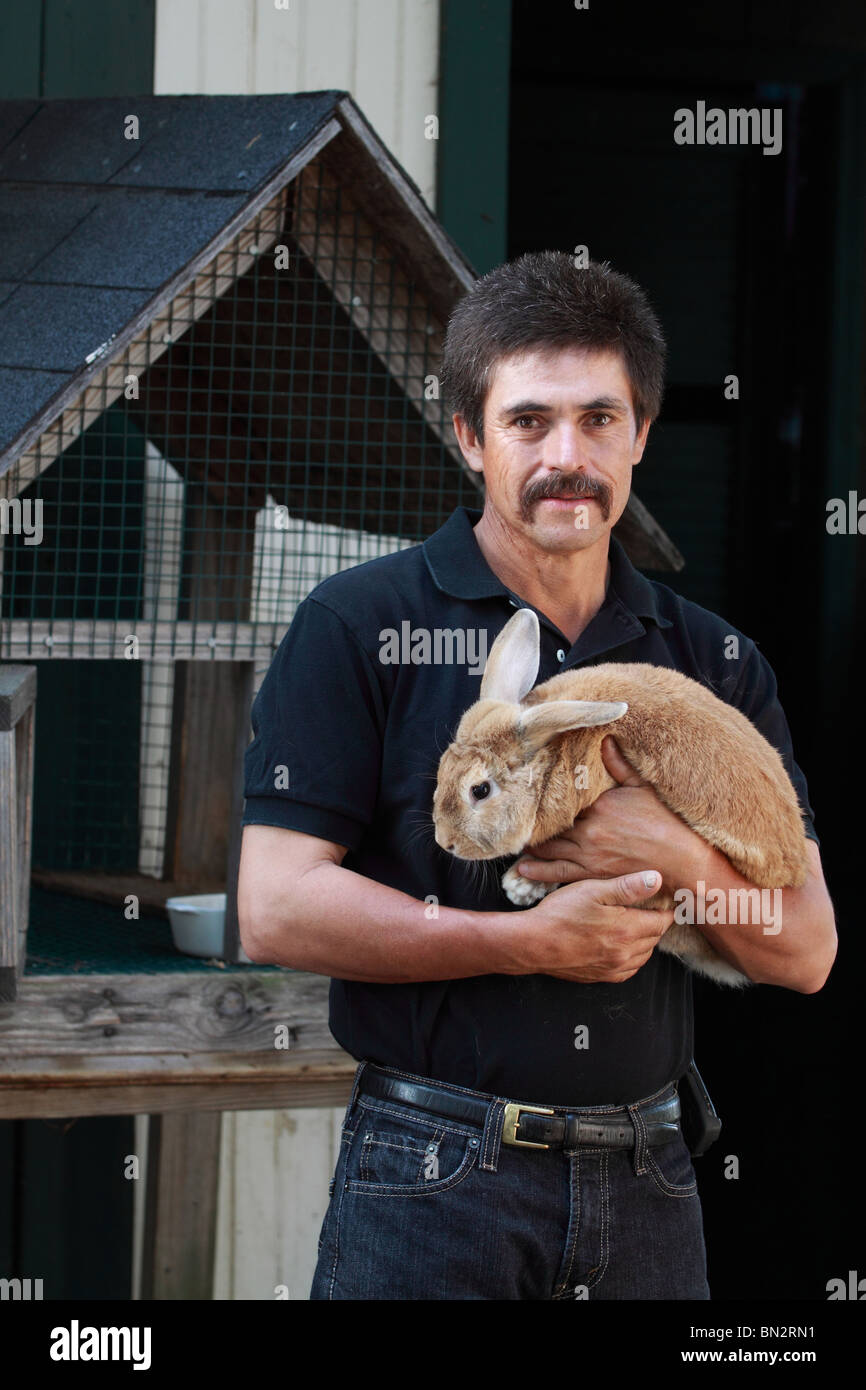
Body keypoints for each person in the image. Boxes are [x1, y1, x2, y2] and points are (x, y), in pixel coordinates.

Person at [237, 252, 837, 1301]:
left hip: (646, 1172)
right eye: (528, 422)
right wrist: (519, 942)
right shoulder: (360, 625)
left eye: (599, 419)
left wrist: (678, 856)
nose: (569, 455)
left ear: (642, 433)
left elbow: (804, 949)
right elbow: (276, 909)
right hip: (432, 1170)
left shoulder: (710, 662)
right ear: (468, 436)